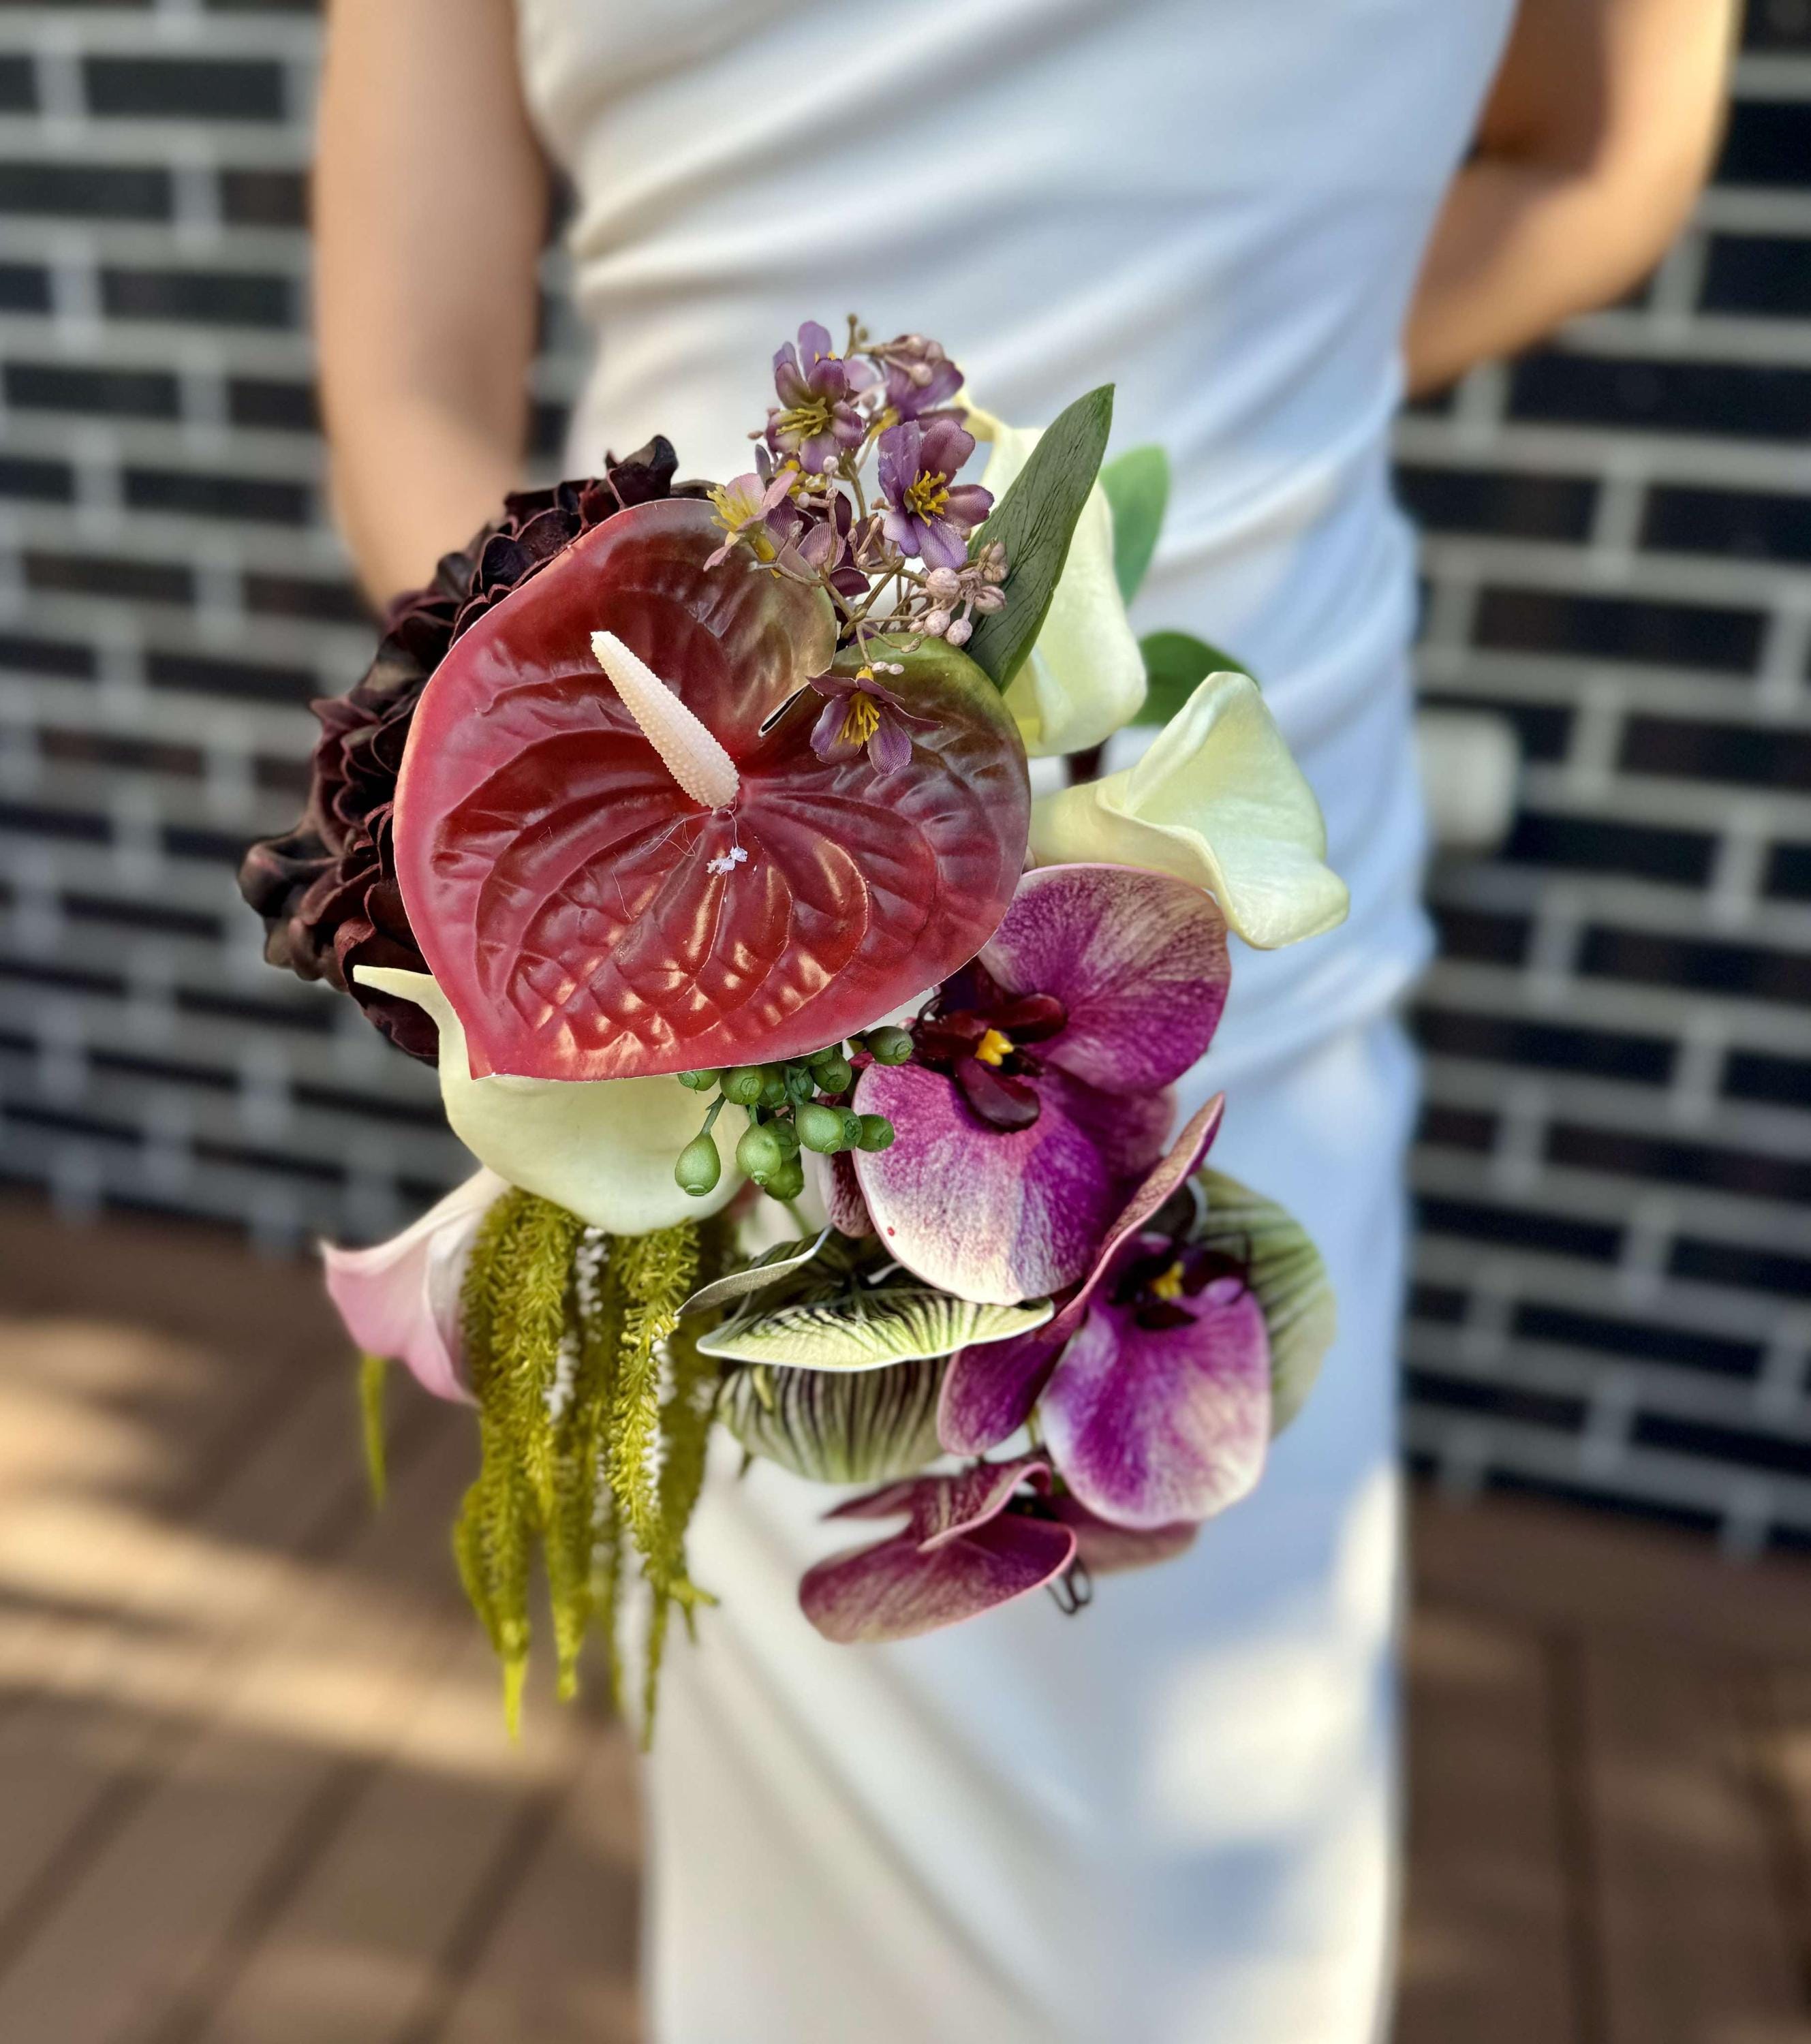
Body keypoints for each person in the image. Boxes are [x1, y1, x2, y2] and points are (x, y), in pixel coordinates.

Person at [311, 2, 1735, 2037]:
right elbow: (409, 366)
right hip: (712, 959)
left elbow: (1592, 158)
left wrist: (1211, 413)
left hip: (1205, 945)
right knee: (793, 1858)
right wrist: (600, 829)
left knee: (1191, 1873)